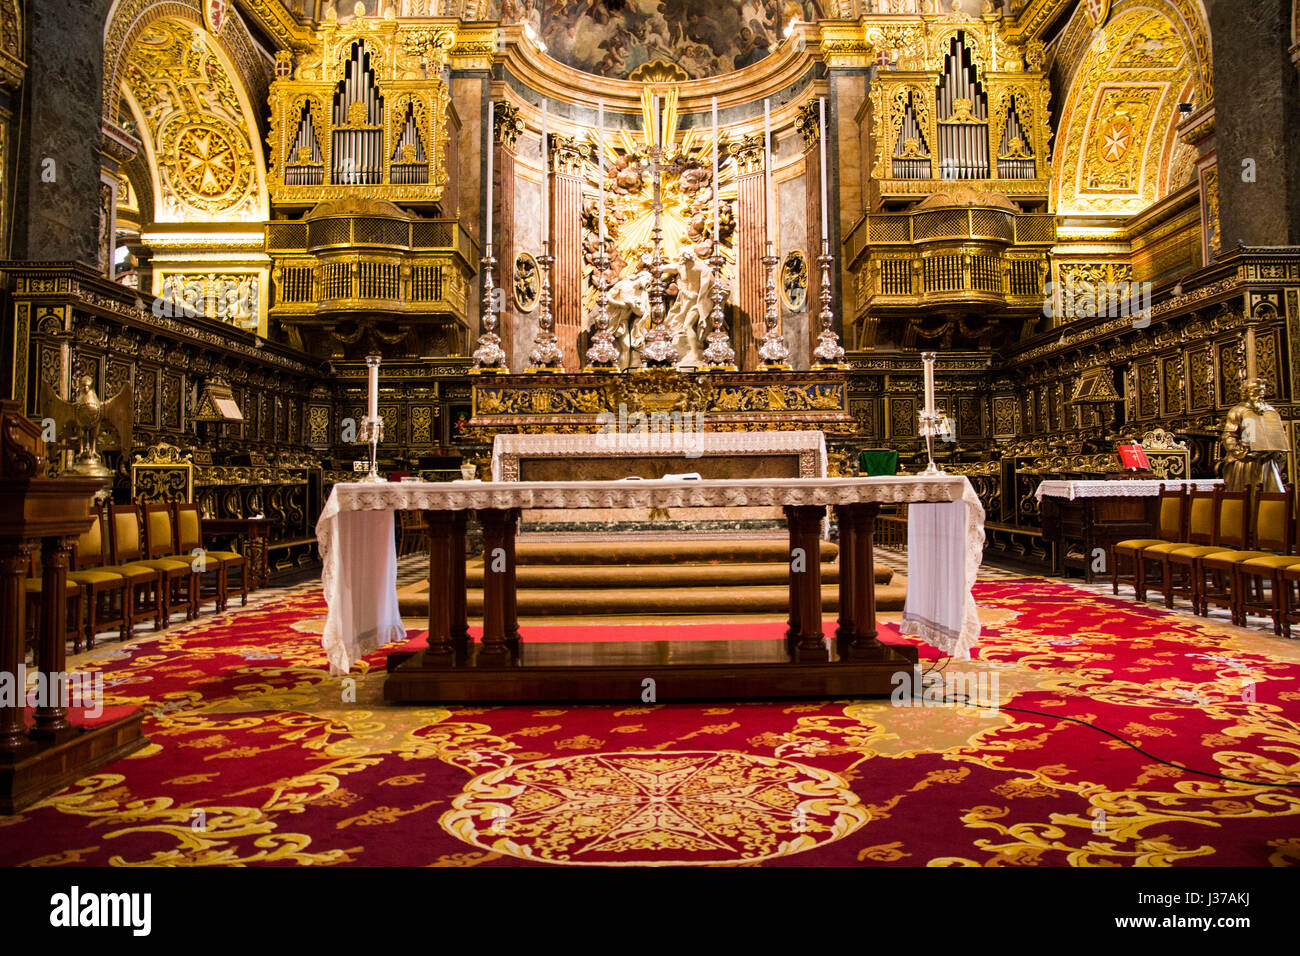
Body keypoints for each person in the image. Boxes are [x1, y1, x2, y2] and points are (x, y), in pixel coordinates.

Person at [1220, 378, 1287, 492]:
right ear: (1246, 392)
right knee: (1247, 495)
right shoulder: (1237, 411)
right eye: (1255, 391)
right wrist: (1242, 450)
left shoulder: (1270, 410)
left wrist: (1278, 447)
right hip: (1246, 460)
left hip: (1267, 461)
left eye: (1262, 391)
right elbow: (1229, 436)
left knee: (1272, 496)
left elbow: (1279, 433)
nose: (1260, 394)